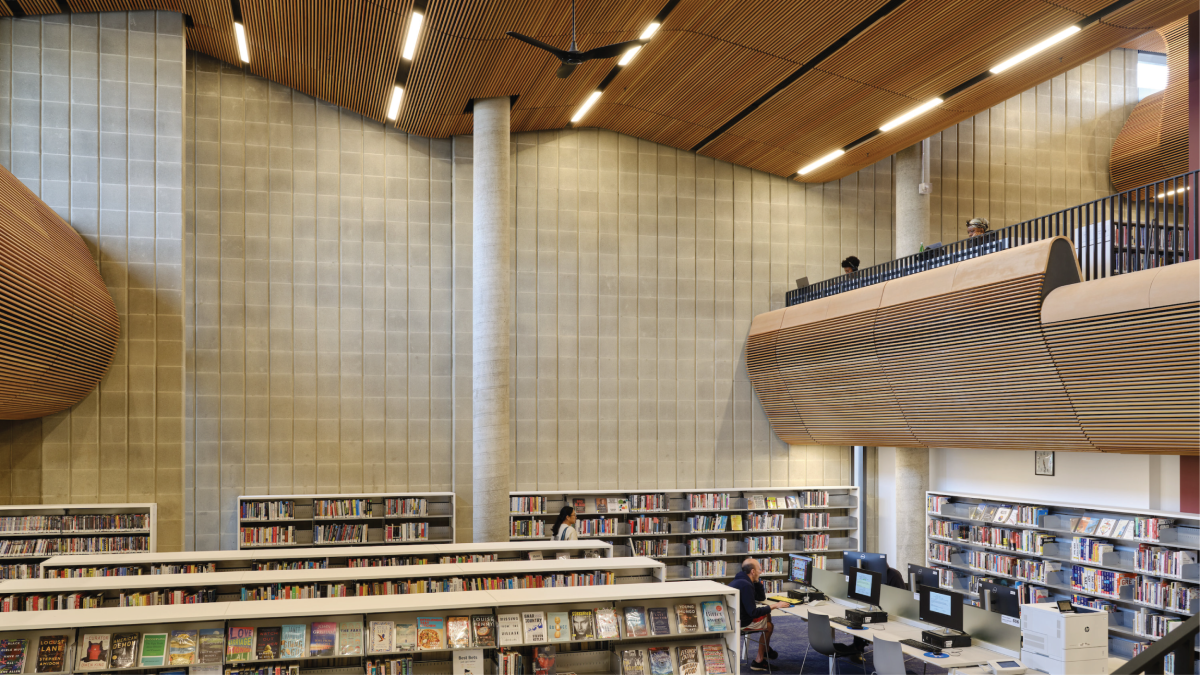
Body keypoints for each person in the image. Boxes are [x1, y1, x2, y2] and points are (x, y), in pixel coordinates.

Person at [730, 558, 789, 671]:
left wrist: (756, 581)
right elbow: (753, 612)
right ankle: (759, 660)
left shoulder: (741, 579)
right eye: (759, 569)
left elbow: (761, 598)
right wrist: (775, 606)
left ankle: (766, 650)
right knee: (769, 626)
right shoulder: (746, 585)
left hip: (736, 617)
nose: (761, 572)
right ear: (752, 571)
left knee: (767, 615)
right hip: (741, 622)